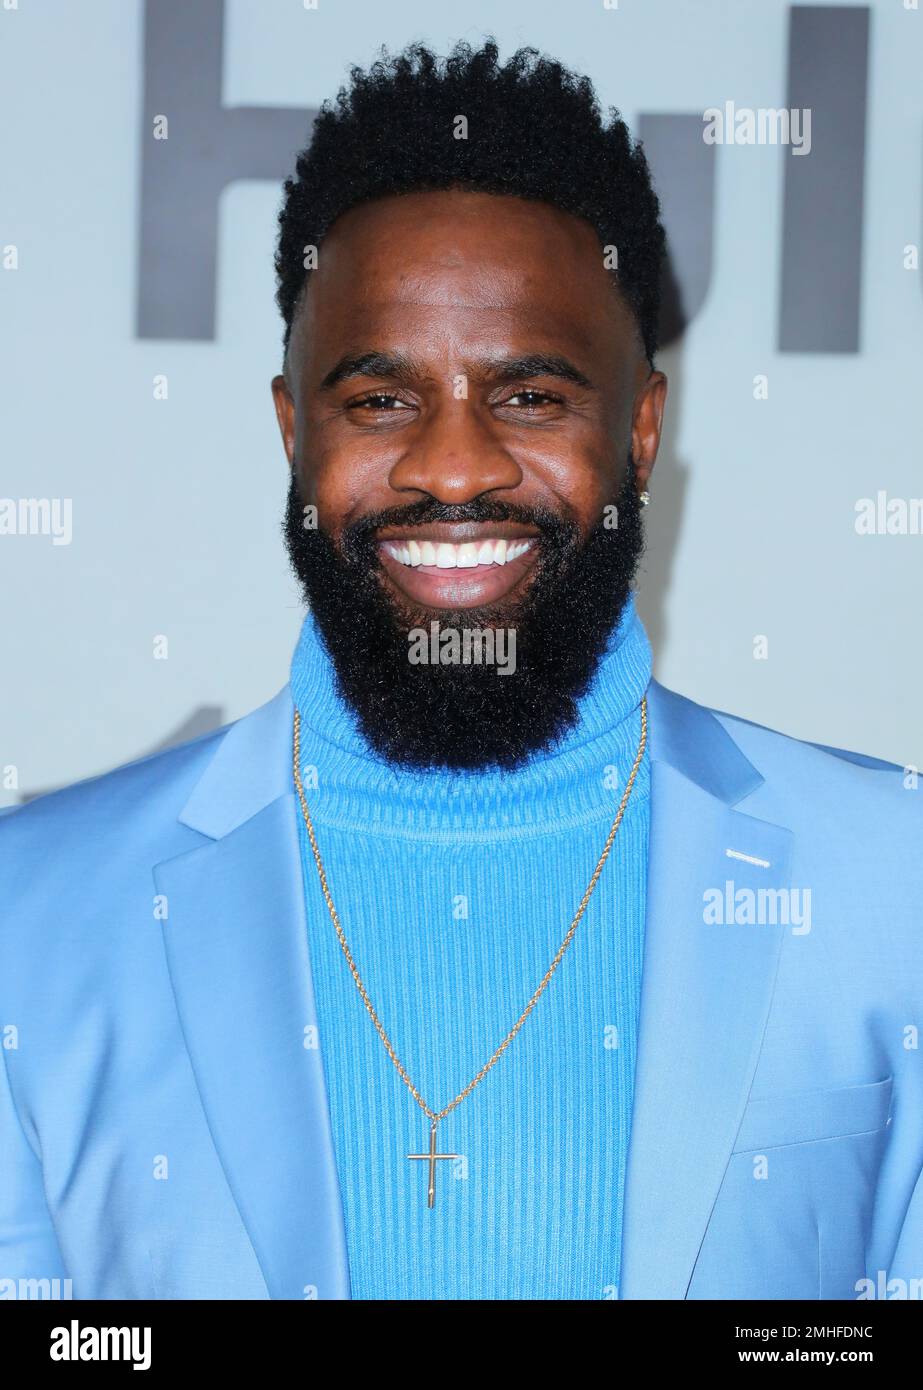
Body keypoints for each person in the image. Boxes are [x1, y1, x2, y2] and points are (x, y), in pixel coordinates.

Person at [1, 40, 920, 1303]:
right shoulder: (33, 914)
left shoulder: (890, 883)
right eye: (378, 401)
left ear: (639, 430)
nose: (452, 468)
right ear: (291, 429)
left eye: (530, 395)